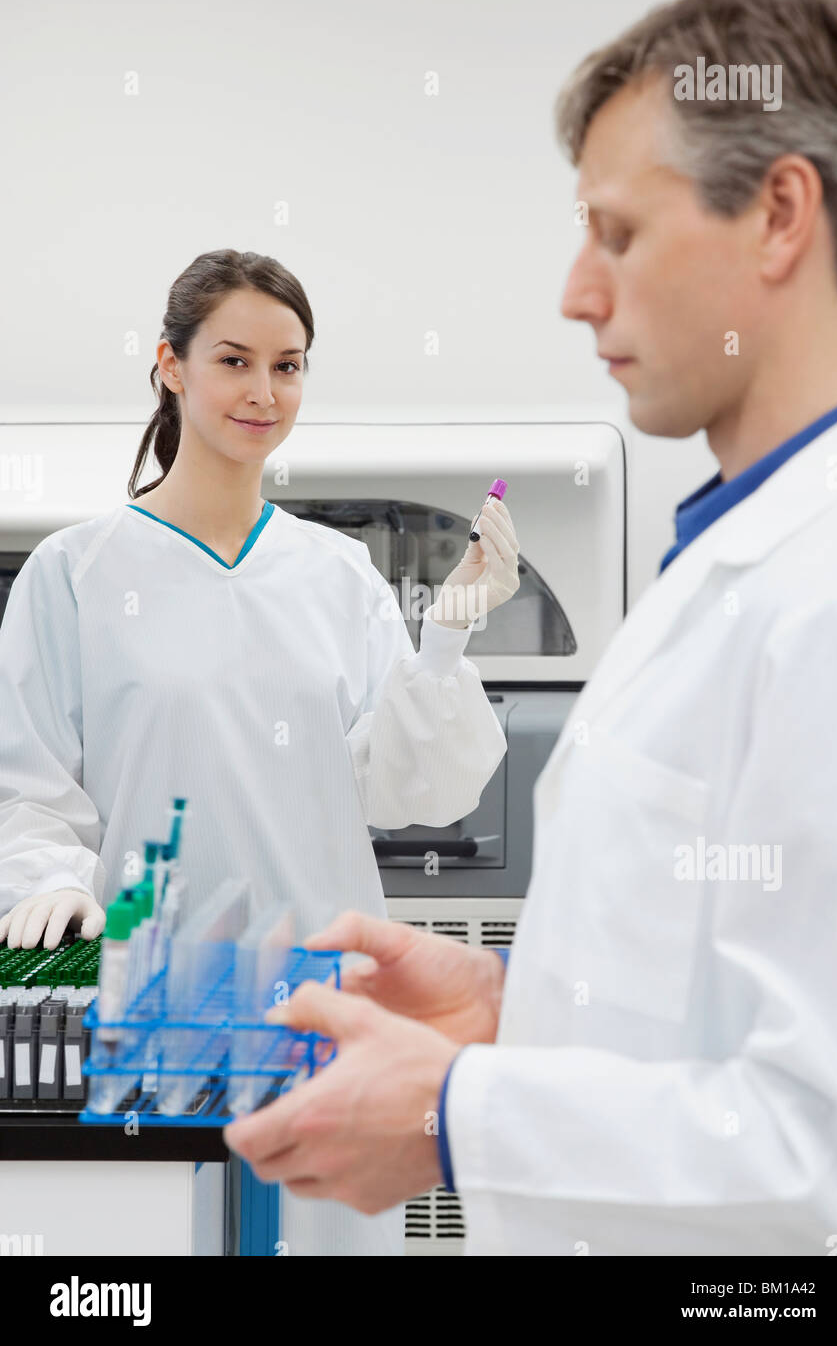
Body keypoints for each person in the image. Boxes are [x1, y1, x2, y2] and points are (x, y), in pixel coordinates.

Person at [224, 0, 837, 1255]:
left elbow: (826, 1155)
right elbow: (732, 1022)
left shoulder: (834, 596)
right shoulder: (742, 560)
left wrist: (459, 1110)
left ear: (780, 216)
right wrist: (522, 1013)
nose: (578, 294)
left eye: (616, 234)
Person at [0, 249, 520, 1255]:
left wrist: (446, 632)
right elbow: (32, 789)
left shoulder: (337, 575)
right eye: (234, 360)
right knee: (144, 1251)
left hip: (323, 1000)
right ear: (170, 365)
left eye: (288, 366)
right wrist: (47, 883)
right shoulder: (78, 574)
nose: (262, 391)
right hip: (151, 1000)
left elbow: (407, 787)